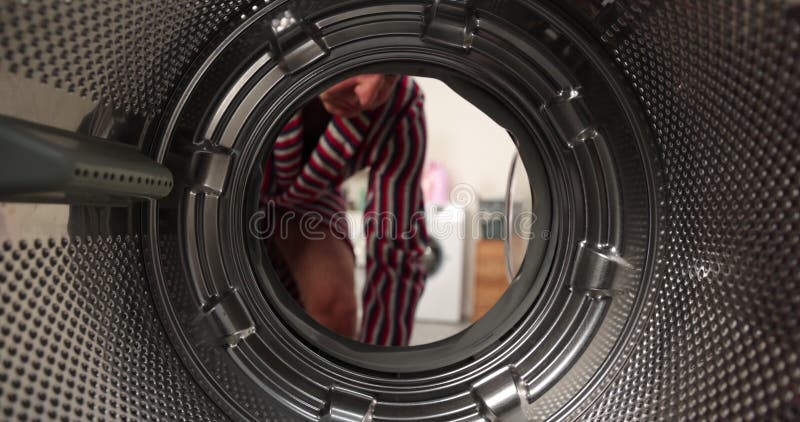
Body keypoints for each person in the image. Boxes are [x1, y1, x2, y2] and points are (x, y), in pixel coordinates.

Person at [260, 74, 428, 346]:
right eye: (367, 59)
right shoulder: (263, 70)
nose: (368, 93)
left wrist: (378, 376)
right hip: (227, 189)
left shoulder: (401, 106)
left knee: (335, 302)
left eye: (389, 71)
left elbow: (395, 247)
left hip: (309, 198)